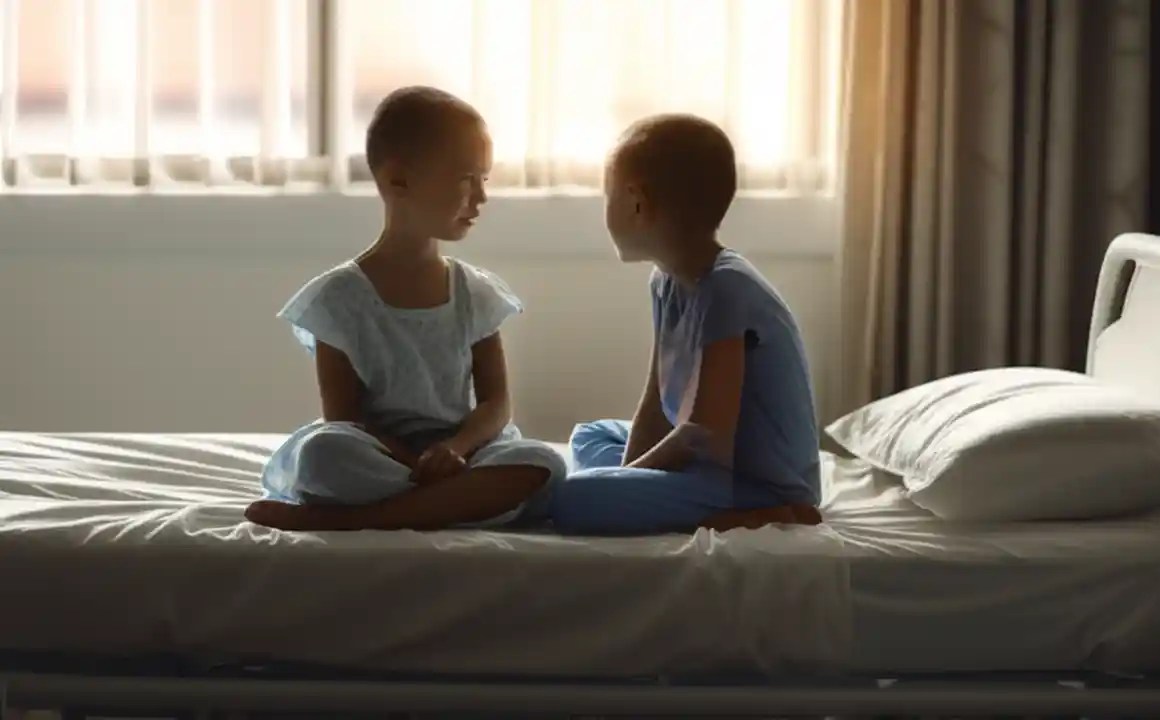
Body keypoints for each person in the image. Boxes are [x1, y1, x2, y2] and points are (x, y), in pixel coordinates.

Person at [244, 86, 565, 532]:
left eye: (483, 180)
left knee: (543, 462)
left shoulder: (476, 293)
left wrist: (455, 449)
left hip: (463, 454)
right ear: (398, 180)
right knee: (323, 455)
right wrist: (415, 460)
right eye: (464, 178)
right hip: (385, 456)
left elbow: (496, 403)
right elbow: (345, 418)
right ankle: (453, 506)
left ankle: (359, 519)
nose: (480, 198)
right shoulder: (337, 300)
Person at [549, 114, 823, 535]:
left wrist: (625, 482)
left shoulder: (727, 288)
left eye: (608, 197)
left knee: (568, 497)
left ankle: (754, 516)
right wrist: (628, 477)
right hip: (705, 462)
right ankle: (645, 493)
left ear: (636, 202)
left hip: (747, 481)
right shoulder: (666, 280)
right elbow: (657, 400)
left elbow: (702, 435)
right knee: (589, 437)